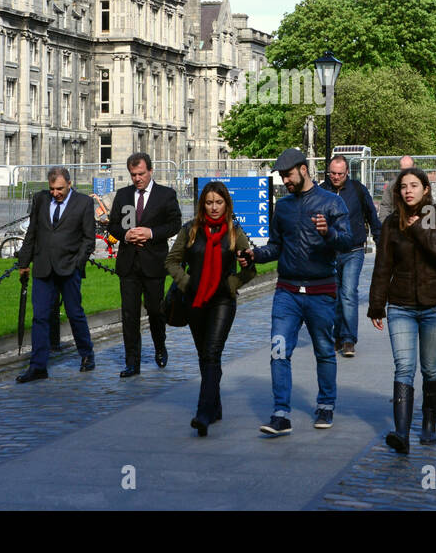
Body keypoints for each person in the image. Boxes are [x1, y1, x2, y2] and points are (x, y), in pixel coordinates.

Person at [244, 148, 352, 436]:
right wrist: (255, 255)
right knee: (279, 351)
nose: (285, 181)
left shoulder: (331, 203)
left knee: (324, 350)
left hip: (321, 290)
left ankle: (326, 405)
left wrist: (328, 232)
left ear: (303, 169)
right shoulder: (284, 206)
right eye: (281, 177)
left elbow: (347, 242)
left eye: (288, 175)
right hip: (287, 292)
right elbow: (276, 246)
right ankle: (281, 414)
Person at [367, 166, 436, 453]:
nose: (408, 190)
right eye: (403, 186)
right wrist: (376, 306)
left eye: (413, 185)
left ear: (425, 189)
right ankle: (402, 433)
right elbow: (383, 266)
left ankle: (429, 424)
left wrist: (420, 227)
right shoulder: (392, 223)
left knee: (430, 367)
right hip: (401, 305)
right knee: (404, 367)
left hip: (435, 305)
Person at [165, 182, 257, 435]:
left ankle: (203, 413)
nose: (214, 207)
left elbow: (250, 269)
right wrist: (186, 283)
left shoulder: (234, 232)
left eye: (219, 202)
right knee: (204, 355)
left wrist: (231, 283)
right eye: (209, 202)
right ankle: (214, 406)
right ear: (202, 204)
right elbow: (172, 261)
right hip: (195, 299)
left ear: (226, 204)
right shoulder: (191, 230)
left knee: (212, 353)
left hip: (222, 301)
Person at [16, 167, 96, 381]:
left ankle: (87, 354)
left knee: (74, 313)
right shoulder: (41, 199)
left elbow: (89, 239)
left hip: (69, 268)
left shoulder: (83, 203)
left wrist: (78, 263)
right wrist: (24, 262)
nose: (55, 193)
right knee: (40, 317)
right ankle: (38, 366)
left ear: (69, 184)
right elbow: (32, 231)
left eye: (59, 188)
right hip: (43, 267)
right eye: (52, 189)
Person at [108, 152, 183, 377]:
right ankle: (132, 361)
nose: (137, 178)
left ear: (150, 171)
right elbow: (113, 225)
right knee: (129, 314)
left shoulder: (165, 195)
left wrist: (150, 233)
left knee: (155, 311)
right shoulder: (123, 195)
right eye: (133, 175)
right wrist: (126, 234)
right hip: (129, 263)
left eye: (141, 174)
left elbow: (175, 224)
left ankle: (160, 346)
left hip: (153, 263)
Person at [321, 154, 382, 358]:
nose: (336, 177)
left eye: (340, 173)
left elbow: (372, 216)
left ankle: (348, 339)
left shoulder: (357, 190)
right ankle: (337, 335)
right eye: (333, 173)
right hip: (329, 251)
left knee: (348, 293)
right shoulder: (322, 190)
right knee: (334, 295)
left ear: (347, 172)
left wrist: (380, 240)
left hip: (354, 249)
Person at [381, 155, 415, 219]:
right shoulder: (392, 186)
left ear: (414, 167)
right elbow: (385, 206)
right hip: (396, 225)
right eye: (403, 170)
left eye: (408, 169)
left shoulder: (422, 185)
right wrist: (384, 225)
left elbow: (429, 204)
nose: (406, 172)